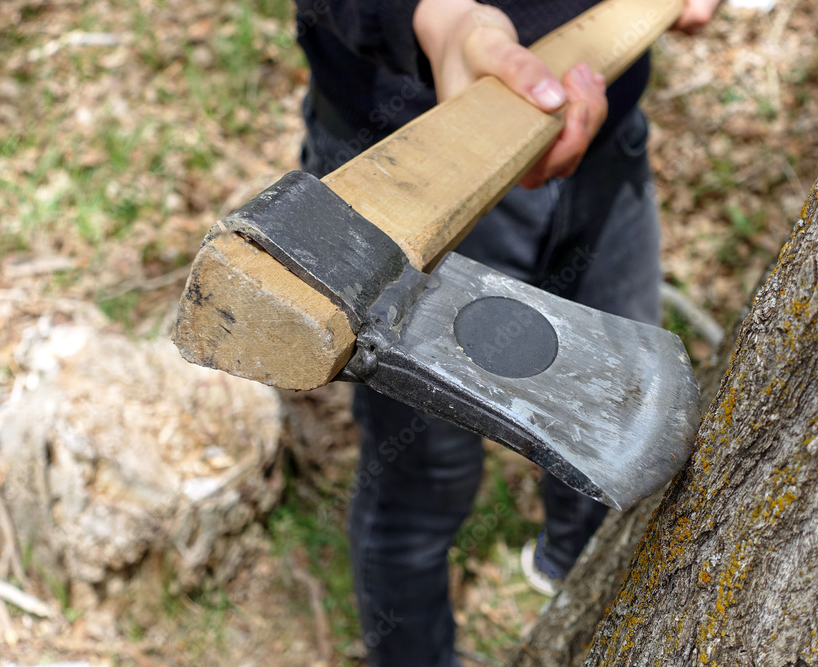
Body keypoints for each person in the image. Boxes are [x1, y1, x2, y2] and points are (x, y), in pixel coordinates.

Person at [294, 0, 721, 664]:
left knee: (619, 409)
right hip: (416, 170)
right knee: (424, 480)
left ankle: (574, 574)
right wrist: (436, 18)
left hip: (602, 123)